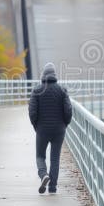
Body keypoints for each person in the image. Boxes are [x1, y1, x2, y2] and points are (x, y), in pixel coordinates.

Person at [28, 62, 72, 194]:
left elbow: (32, 112)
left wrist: (36, 126)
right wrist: (65, 124)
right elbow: (68, 110)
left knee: (40, 156)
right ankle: (52, 187)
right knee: (55, 158)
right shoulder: (62, 90)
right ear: (54, 74)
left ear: (43, 74)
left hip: (42, 129)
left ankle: (43, 175)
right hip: (59, 130)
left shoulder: (37, 90)